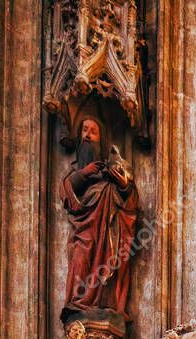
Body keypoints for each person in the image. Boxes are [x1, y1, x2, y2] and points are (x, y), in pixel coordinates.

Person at [59, 117, 140, 319]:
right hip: (85, 228)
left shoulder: (109, 171)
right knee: (80, 258)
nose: (87, 135)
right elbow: (67, 192)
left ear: (101, 140)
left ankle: (109, 305)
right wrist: (85, 173)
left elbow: (131, 203)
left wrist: (123, 185)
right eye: (84, 130)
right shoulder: (76, 170)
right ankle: (77, 303)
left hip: (109, 230)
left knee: (113, 261)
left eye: (93, 131)